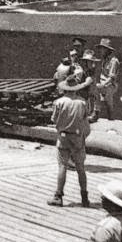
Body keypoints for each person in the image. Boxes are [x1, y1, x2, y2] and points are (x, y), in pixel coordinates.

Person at [48, 68, 93, 208]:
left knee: (62, 166)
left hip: (63, 137)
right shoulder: (82, 102)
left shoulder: (59, 102)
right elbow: (86, 119)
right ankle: (84, 197)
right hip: (78, 137)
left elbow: (54, 120)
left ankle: (58, 196)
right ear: (76, 89)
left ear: (65, 89)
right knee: (81, 168)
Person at [92, 38, 120, 120]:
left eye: (102, 48)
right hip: (104, 83)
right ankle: (96, 114)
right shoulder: (105, 60)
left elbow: (111, 78)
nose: (100, 50)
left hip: (110, 84)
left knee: (107, 99)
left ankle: (106, 115)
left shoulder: (114, 61)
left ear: (107, 50)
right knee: (95, 89)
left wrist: (102, 85)